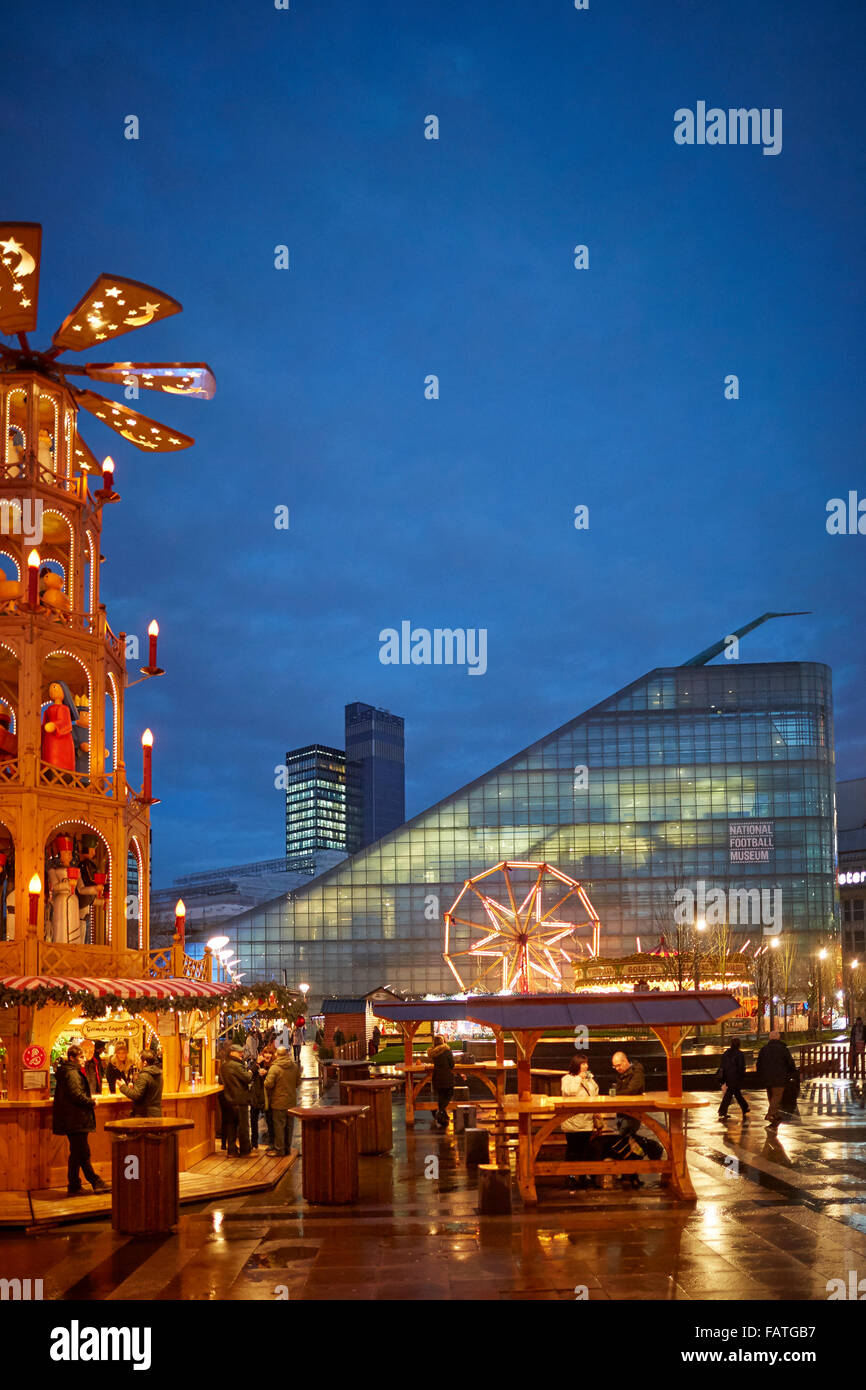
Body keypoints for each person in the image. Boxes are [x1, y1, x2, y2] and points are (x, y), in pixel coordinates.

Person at [52, 1045, 110, 1196]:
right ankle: (94, 1181)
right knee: (82, 1151)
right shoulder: (72, 1073)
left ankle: (75, 1185)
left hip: (73, 1118)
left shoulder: (69, 1071)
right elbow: (76, 1095)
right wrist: (92, 1102)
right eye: (81, 1057)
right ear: (72, 1058)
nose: (84, 1060)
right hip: (76, 1118)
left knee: (78, 1152)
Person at [561, 1057, 603, 1190]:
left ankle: (584, 1176)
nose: (585, 1066)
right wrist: (579, 1078)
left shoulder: (589, 1079)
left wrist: (596, 1110)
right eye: (583, 1064)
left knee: (585, 1150)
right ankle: (571, 1176)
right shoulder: (567, 1079)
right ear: (576, 1065)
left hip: (587, 1121)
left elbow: (595, 1092)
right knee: (573, 1150)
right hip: (572, 1123)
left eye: (586, 1063)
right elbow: (570, 1091)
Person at [611, 1050, 645, 1187]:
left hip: (632, 1113)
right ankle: (630, 1174)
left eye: (619, 1065)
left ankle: (631, 1174)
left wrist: (616, 1094)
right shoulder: (623, 1075)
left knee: (626, 1141)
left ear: (625, 1061)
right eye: (615, 1067)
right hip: (623, 1112)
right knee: (627, 1143)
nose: (617, 1068)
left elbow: (632, 1090)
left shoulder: (636, 1072)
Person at [756, 1030, 798, 1128]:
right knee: (777, 1095)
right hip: (780, 1076)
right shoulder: (783, 1049)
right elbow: (790, 1062)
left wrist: (761, 1074)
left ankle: (776, 1114)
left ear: (770, 1038)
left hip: (767, 1077)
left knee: (771, 1096)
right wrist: (792, 1071)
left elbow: (759, 1064)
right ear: (778, 1038)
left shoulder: (764, 1049)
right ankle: (771, 1114)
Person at [264, 1046, 300, 1156]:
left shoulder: (275, 1068)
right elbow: (298, 1083)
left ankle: (279, 1149)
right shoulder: (294, 1066)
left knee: (279, 1126)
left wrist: (264, 1079)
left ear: (277, 1055)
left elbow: (268, 1084)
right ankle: (287, 1149)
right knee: (289, 1127)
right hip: (291, 1101)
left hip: (278, 1102)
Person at [220, 1046, 252, 1155]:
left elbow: (221, 1081)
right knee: (243, 1127)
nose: (241, 1054)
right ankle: (245, 1149)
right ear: (232, 1053)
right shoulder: (237, 1066)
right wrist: (252, 1070)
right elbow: (247, 1078)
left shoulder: (223, 1065)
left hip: (228, 1099)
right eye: (239, 1052)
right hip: (240, 1099)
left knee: (231, 1126)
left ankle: (232, 1150)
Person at [118, 1049, 163, 1117]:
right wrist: (134, 1088)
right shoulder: (159, 1074)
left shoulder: (144, 1075)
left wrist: (123, 1086)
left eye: (139, 1059)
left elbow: (136, 1095)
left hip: (145, 1115)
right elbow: (148, 1092)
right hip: (156, 1114)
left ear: (144, 1062)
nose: (137, 1062)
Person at [717, 1036, 750, 1120]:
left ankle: (745, 1108)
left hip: (727, 1076)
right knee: (730, 1094)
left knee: (736, 1093)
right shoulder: (739, 1054)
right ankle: (722, 1111)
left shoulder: (726, 1053)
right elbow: (741, 1067)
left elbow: (722, 1065)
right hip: (735, 1077)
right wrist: (742, 1076)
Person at [428, 1034, 455, 1129]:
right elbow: (452, 1064)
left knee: (441, 1095)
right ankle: (440, 1111)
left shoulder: (433, 1052)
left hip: (437, 1076)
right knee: (449, 1093)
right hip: (446, 1076)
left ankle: (441, 1112)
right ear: (443, 1041)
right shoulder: (447, 1050)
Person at [248, 1050, 268, 1150]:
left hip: (266, 1097)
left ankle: (270, 1143)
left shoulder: (271, 1066)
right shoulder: (255, 1065)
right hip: (255, 1097)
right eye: (264, 1054)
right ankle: (254, 1142)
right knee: (253, 1120)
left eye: (269, 1053)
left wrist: (266, 1073)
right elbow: (249, 1075)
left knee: (269, 1120)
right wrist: (257, 1064)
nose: (266, 1056)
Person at [850, 1016, 866, 1081]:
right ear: (856, 1021)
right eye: (857, 1021)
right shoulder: (854, 1027)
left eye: (859, 1021)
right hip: (855, 1045)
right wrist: (851, 1044)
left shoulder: (864, 1027)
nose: (858, 1022)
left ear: (861, 1021)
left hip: (862, 1044)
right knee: (854, 1059)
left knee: (862, 1059)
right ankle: (853, 1072)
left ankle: (862, 1072)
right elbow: (852, 1036)